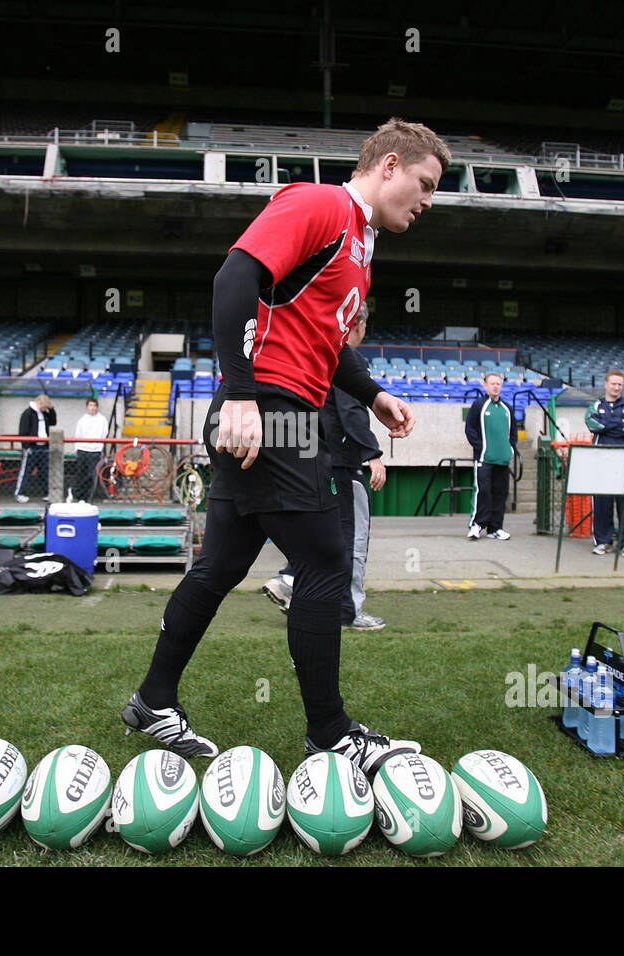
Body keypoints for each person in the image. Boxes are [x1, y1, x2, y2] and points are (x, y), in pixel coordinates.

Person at [120, 118, 448, 776]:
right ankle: (330, 734)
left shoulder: (361, 243)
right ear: (389, 166)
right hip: (266, 410)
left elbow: (325, 347)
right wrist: (240, 394)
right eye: (424, 184)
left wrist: (374, 393)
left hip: (269, 408)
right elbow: (232, 279)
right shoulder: (320, 203)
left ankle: (153, 700)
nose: (428, 200)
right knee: (324, 561)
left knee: (221, 565)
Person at [262, 302, 387, 629]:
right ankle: (346, 609)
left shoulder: (315, 356)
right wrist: (372, 453)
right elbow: (352, 413)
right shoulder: (349, 363)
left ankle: (292, 581)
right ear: (357, 325)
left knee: (322, 533)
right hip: (344, 463)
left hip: (313, 461)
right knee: (352, 536)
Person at [586, 369, 624, 558]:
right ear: (606, 384)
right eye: (613, 383)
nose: (616, 387)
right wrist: (618, 424)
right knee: (602, 505)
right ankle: (603, 542)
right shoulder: (596, 405)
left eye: (620, 384)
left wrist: (607, 426)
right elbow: (593, 425)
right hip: (601, 463)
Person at [464, 371, 518, 540]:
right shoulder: (479, 406)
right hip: (484, 459)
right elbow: (470, 429)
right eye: (492, 383)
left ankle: (495, 528)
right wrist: (481, 448)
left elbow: (513, 432)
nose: (495, 386)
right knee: (483, 492)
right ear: (485, 385)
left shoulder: (507, 408)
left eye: (498, 383)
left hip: (502, 460)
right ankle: (476, 525)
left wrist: (510, 449)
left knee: (500, 493)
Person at [15, 393, 56, 503]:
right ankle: (19, 493)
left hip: (44, 447)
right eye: (43, 406)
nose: (44, 408)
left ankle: (46, 493)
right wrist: (26, 447)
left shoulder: (45, 414)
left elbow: (53, 422)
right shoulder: (28, 413)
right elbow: (23, 431)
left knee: (44, 471)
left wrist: (51, 410)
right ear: (38, 403)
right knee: (26, 471)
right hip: (32, 447)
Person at [72, 397, 108, 501]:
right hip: (83, 449)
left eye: (94, 405)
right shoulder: (82, 420)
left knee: (91, 474)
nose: (92, 408)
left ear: (97, 407)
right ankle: (78, 494)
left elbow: (103, 434)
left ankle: (86, 496)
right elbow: (78, 434)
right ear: (87, 407)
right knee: (81, 473)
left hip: (95, 450)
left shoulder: (102, 420)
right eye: (90, 405)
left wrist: (98, 445)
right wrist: (78, 448)